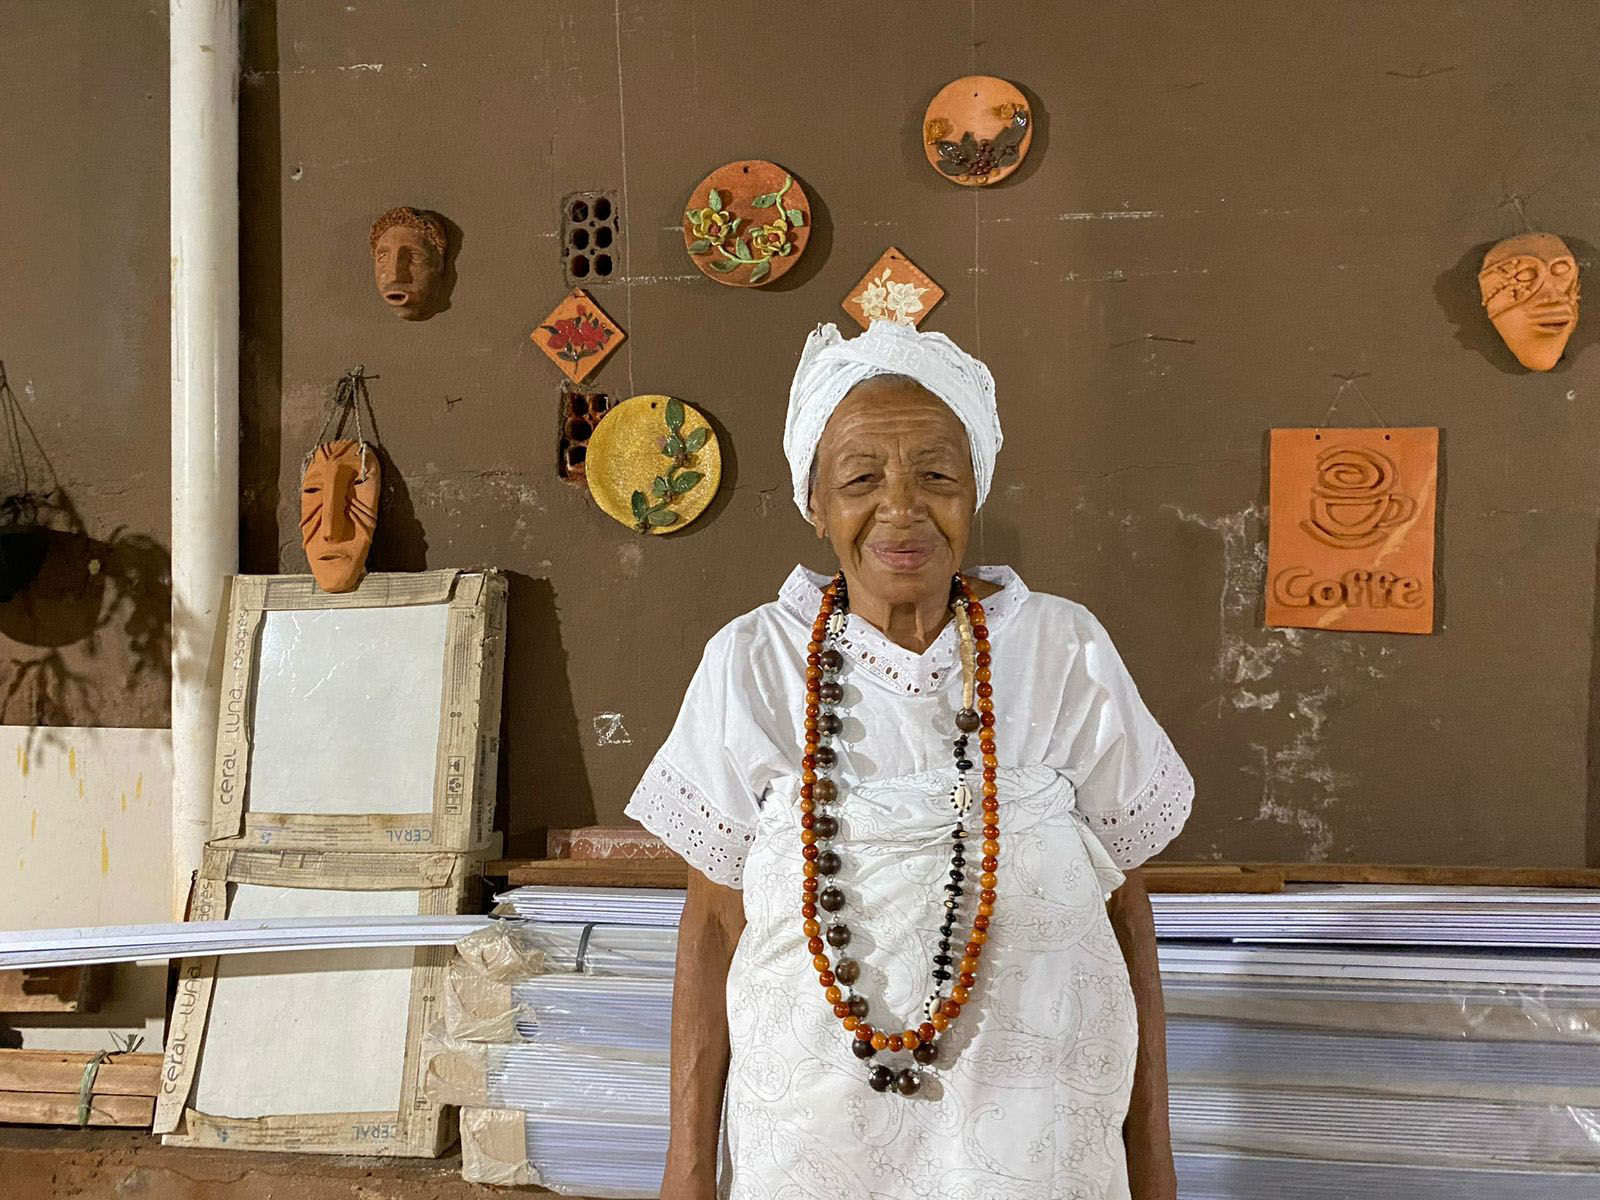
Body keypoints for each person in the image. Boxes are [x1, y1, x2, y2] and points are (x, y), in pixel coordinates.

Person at [625, 319, 1195, 1200]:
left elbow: (1125, 915)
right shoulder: (753, 663)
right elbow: (708, 925)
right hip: (813, 1144)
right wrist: (687, 1169)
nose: (901, 507)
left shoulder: (1062, 650)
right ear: (815, 503)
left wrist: (1153, 1161)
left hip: (1036, 1144)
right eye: (860, 479)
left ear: (976, 493)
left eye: (936, 475)